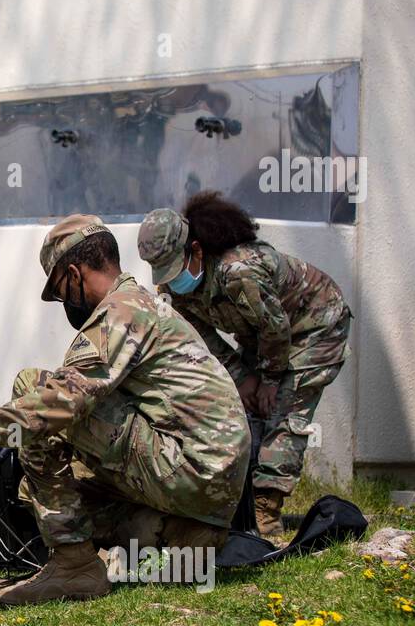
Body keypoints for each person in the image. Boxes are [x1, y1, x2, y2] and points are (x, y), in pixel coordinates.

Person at [0, 215, 250, 604]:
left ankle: (75, 566)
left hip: (191, 468)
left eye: (60, 290)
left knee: (35, 387)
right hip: (212, 482)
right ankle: (180, 532)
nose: (63, 302)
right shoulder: (144, 304)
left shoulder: (121, 312)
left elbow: (61, 402)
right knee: (42, 491)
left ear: (75, 273)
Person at [137, 191, 353, 536]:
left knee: (285, 410)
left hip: (316, 326)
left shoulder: (239, 271)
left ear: (196, 250)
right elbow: (204, 337)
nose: (172, 278)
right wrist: (242, 379)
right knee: (245, 411)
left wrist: (268, 380)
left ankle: (266, 514)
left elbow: (275, 326)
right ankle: (242, 509)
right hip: (264, 337)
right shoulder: (177, 287)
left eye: (176, 267)